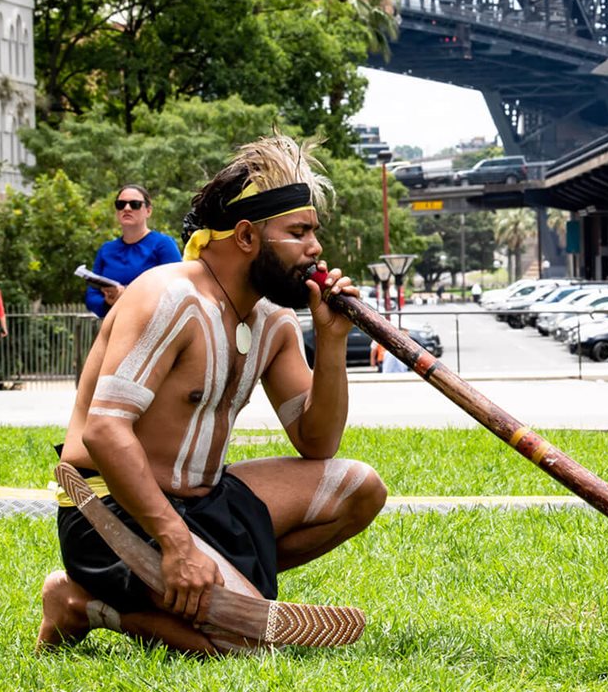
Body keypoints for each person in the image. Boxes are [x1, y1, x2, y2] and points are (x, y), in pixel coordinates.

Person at [37, 134, 387, 653]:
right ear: (247, 237)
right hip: (110, 511)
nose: (316, 248)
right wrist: (178, 546)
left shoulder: (274, 323)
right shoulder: (168, 297)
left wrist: (331, 343)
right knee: (244, 648)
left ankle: (204, 589)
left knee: (361, 488)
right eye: (299, 232)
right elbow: (105, 432)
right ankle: (81, 601)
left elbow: (318, 444)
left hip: (206, 501)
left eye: (314, 232)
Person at [85, 185, 183, 319]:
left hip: (152, 328)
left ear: (148, 211)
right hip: (113, 327)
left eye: (135, 204)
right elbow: (91, 296)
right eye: (120, 204)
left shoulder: (164, 245)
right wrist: (107, 302)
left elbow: (178, 290)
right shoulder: (106, 250)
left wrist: (128, 296)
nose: (127, 208)